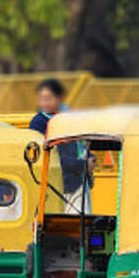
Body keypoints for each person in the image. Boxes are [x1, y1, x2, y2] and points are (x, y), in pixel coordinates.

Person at [28, 78, 92, 213]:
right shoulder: (38, 123)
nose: (44, 102)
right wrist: (82, 165)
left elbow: (81, 143)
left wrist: (91, 158)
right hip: (54, 185)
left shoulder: (70, 117)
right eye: (41, 98)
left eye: (48, 98)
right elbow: (51, 156)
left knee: (81, 223)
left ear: (60, 98)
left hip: (77, 183)